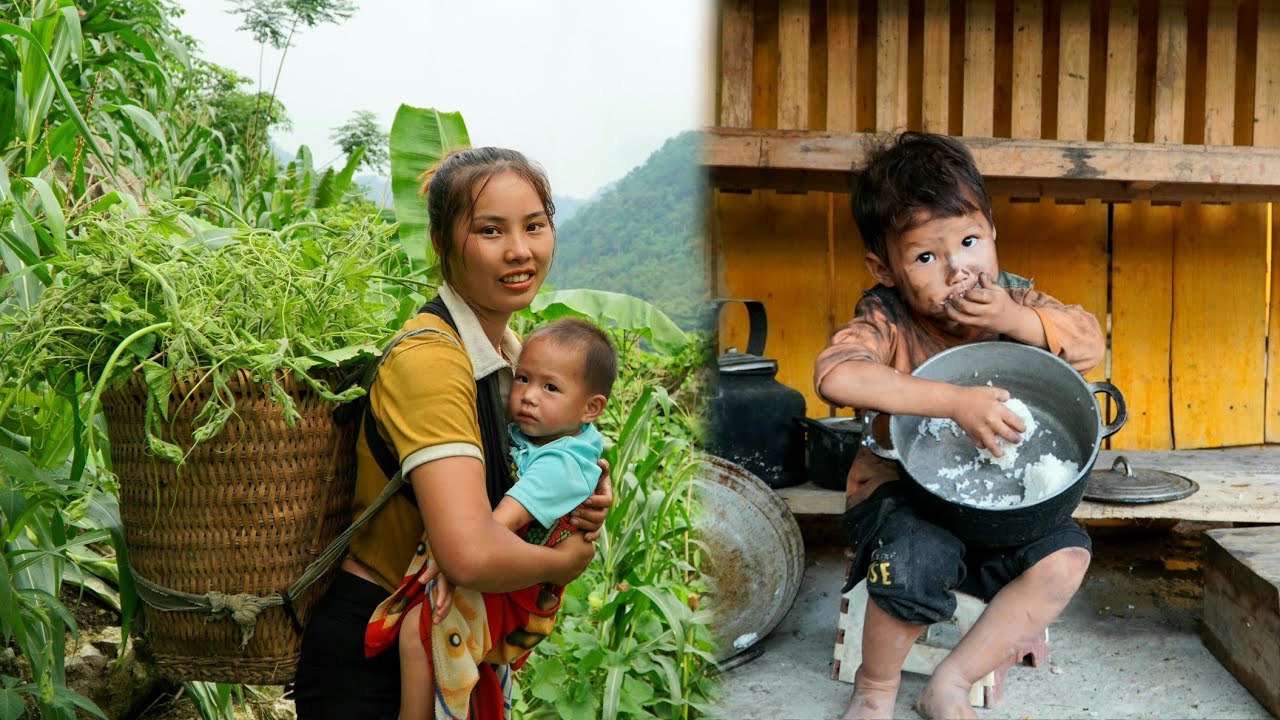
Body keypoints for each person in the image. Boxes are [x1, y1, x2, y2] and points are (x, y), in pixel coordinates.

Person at [293, 147, 613, 719]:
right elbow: (465, 555)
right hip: (377, 659)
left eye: (534, 226)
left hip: (447, 644)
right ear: (441, 242)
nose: (520, 250)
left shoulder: (511, 361)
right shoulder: (432, 362)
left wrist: (582, 495)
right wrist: (566, 563)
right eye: (490, 231)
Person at [813, 131, 1104, 720]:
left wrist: (1016, 318)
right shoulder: (886, 317)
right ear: (885, 267)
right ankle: (874, 689)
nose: (957, 270)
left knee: (1066, 560)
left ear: (992, 233)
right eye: (925, 257)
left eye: (970, 242)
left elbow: (1089, 343)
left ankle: (951, 679)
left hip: (1004, 504)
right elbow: (837, 377)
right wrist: (953, 402)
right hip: (903, 500)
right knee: (917, 558)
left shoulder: (1017, 299)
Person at [365, 317, 618, 720]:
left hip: (516, 584)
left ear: (591, 407)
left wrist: (451, 560)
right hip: (512, 571)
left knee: (420, 630)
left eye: (550, 388)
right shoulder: (552, 433)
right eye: (522, 380)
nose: (529, 397)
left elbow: (497, 525)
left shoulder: (561, 463)